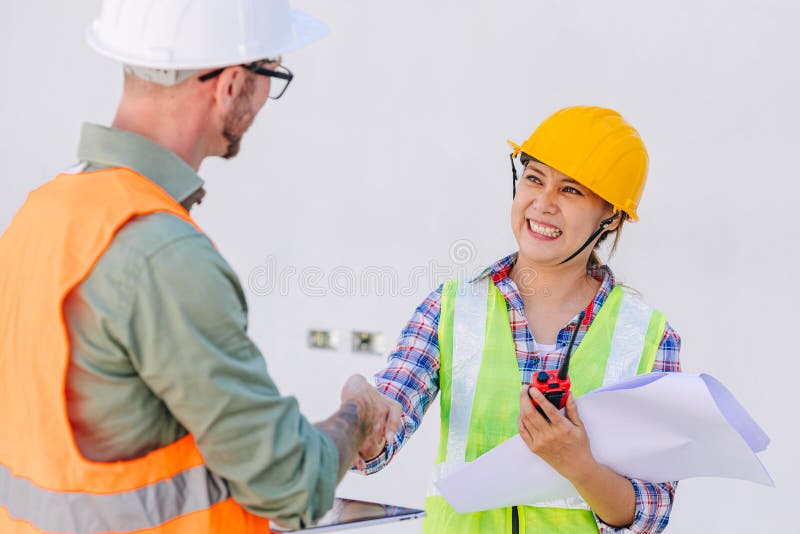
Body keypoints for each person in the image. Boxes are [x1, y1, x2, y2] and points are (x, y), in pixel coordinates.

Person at [0, 1, 400, 532]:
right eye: (271, 75)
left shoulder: (41, 213)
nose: (264, 100)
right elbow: (291, 485)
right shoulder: (163, 255)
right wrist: (360, 416)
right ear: (231, 84)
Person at [358, 106, 682, 533]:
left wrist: (577, 464)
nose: (542, 204)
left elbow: (649, 515)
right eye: (534, 178)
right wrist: (360, 422)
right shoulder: (451, 309)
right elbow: (383, 427)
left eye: (571, 191)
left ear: (612, 215)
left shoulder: (648, 338)